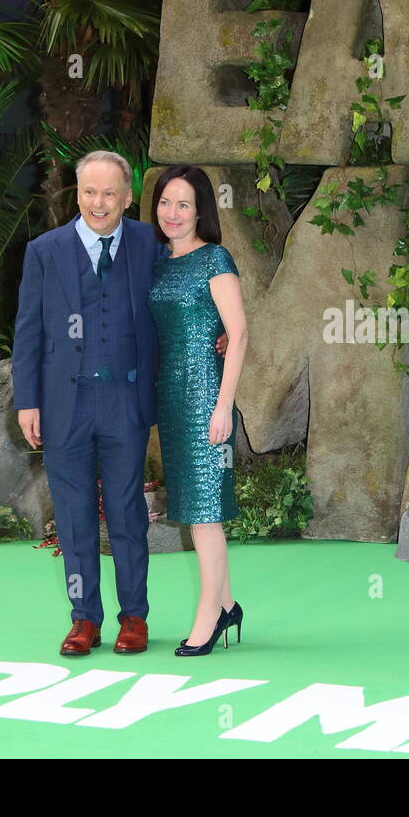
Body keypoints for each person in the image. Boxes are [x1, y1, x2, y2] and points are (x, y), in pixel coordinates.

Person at [11, 150, 165, 656]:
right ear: (76, 195)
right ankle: (84, 620)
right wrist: (28, 401)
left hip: (126, 400)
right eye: (89, 192)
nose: (99, 203)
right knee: (74, 517)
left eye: (110, 193)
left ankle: (134, 618)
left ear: (126, 198)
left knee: (127, 514)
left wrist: (218, 334)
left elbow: (179, 301)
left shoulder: (149, 243)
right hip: (63, 406)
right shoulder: (45, 251)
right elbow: (28, 331)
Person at [148, 164, 248, 656]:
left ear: (200, 210)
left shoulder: (215, 259)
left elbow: (240, 332)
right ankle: (227, 605)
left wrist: (223, 405)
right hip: (170, 398)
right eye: (166, 202)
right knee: (193, 507)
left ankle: (207, 618)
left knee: (204, 514)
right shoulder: (155, 261)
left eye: (183, 203)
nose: (173, 212)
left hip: (207, 396)